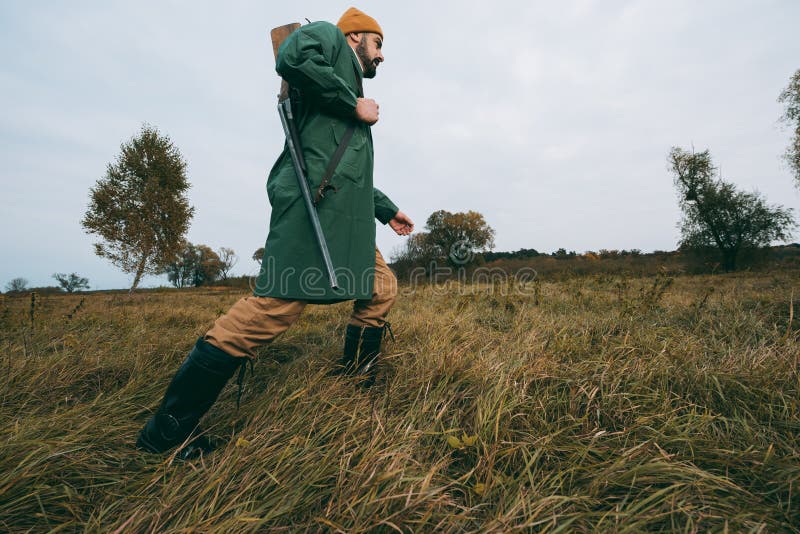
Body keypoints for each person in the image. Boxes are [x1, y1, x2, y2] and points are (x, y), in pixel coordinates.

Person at [136, 7, 414, 458]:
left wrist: (387, 209)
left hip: (345, 216)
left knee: (380, 287)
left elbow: (341, 167)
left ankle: (355, 382)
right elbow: (291, 55)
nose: (381, 56)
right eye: (378, 44)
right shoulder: (326, 36)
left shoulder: (343, 93)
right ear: (355, 37)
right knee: (275, 308)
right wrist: (352, 105)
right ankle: (165, 431)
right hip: (315, 211)